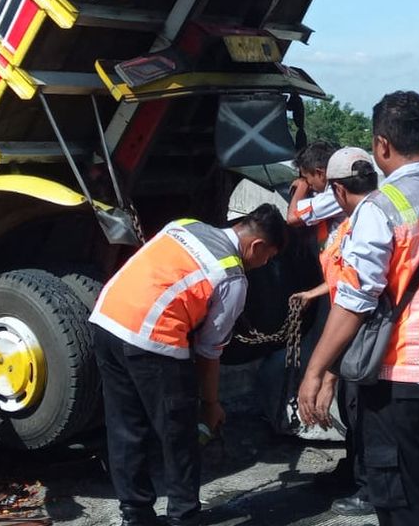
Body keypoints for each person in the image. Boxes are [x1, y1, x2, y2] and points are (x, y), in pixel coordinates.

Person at [297, 91, 419, 526]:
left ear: (381, 144)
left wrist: (316, 370)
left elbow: (354, 300)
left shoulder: (380, 207)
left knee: (405, 507)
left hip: (402, 385)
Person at [90, 204, 287, 526]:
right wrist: (210, 404)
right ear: (257, 246)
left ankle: (135, 515)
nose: (264, 264)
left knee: (125, 427)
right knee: (178, 434)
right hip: (153, 339)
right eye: (268, 257)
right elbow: (209, 351)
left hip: (107, 319)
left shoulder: (184, 225)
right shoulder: (231, 277)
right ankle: (184, 516)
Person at [289, 146, 379, 516]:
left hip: (361, 327)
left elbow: (356, 296)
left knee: (360, 406)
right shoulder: (353, 223)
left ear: (337, 189)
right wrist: (315, 292)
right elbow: (344, 275)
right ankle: (354, 469)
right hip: (351, 318)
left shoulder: (366, 225)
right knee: (351, 403)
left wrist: (323, 373)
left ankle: (369, 485)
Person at [287, 139, 344, 247]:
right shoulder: (338, 187)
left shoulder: (336, 194)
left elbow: (292, 218)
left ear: (320, 173)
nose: (308, 183)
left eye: (306, 178)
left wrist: (302, 187)